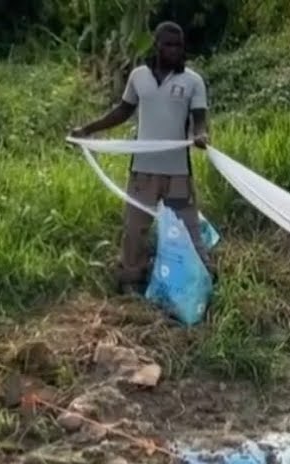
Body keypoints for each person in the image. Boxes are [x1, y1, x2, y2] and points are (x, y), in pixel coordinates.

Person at [71, 21, 213, 294]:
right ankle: (131, 280)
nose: (174, 50)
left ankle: (202, 277)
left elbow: (199, 119)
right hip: (143, 171)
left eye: (178, 45)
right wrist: (87, 129)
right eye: (168, 44)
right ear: (156, 45)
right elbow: (122, 112)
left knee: (189, 228)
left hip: (178, 173)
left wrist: (201, 135)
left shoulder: (193, 81)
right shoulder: (138, 76)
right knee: (135, 229)